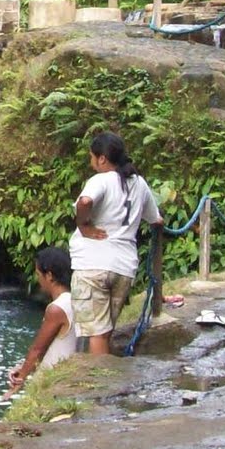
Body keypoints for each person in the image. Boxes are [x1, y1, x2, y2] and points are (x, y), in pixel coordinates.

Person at [68, 132, 164, 356]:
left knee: (97, 333)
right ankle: (102, 375)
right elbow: (156, 220)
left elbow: (85, 201)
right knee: (105, 331)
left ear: (102, 159)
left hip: (92, 266)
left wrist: (84, 226)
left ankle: (99, 382)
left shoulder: (100, 180)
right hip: (123, 267)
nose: (91, 162)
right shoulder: (139, 183)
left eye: (92, 157)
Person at [4, 246, 79, 399]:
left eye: (38, 274)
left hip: (52, 379)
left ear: (49, 275)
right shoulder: (75, 300)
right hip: (66, 371)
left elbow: (37, 349)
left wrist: (20, 378)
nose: (38, 279)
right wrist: (23, 368)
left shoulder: (56, 309)